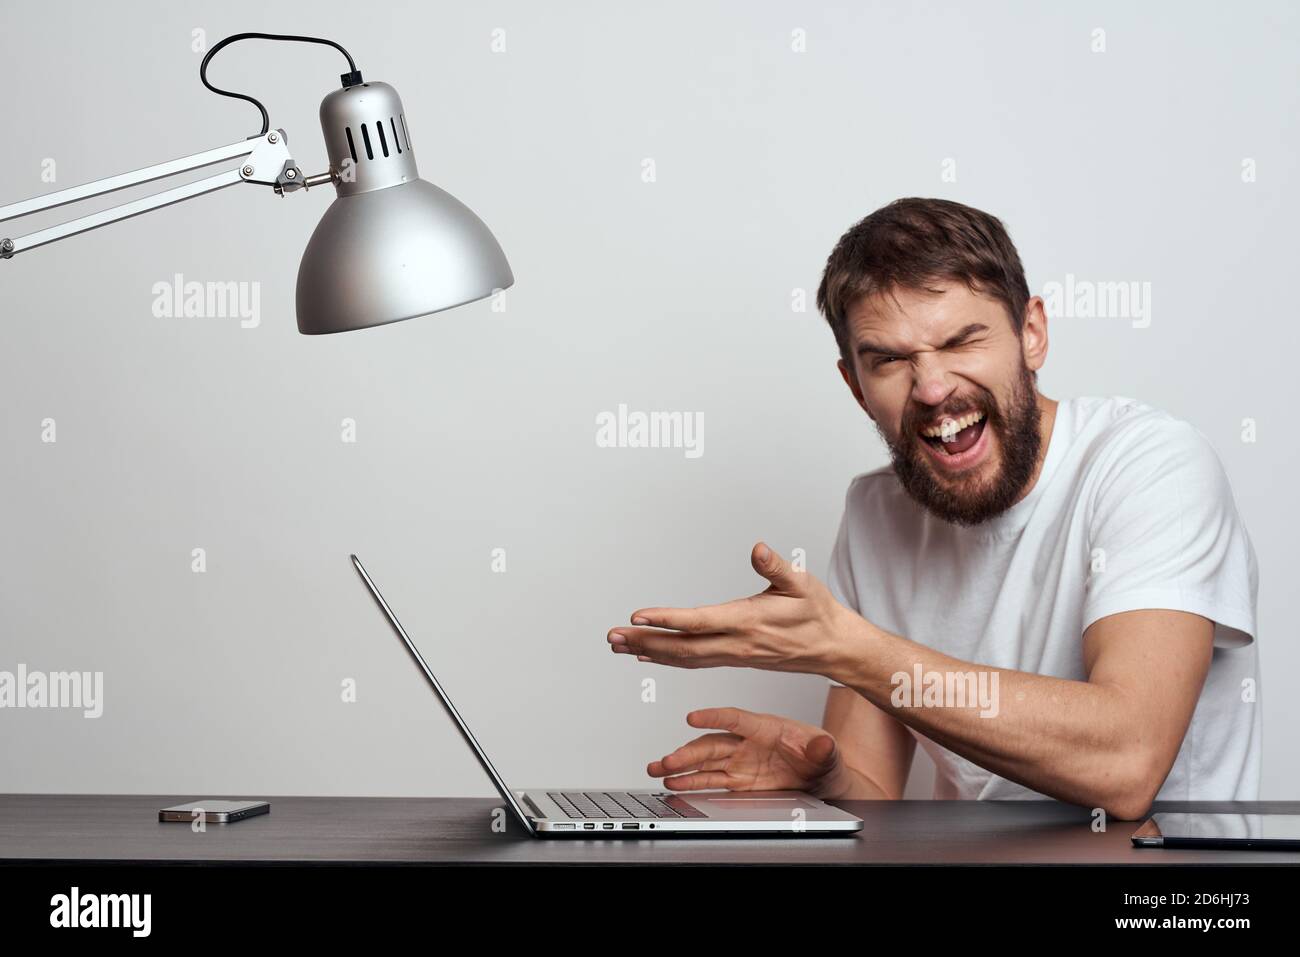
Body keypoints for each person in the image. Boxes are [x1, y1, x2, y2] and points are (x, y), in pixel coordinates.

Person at [606, 198, 1260, 820]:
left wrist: (847, 648)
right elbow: (875, 794)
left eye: (960, 341)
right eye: (889, 360)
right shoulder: (875, 514)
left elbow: (1128, 760)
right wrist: (825, 775)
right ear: (855, 386)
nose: (934, 387)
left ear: (1031, 334)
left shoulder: (1150, 465)